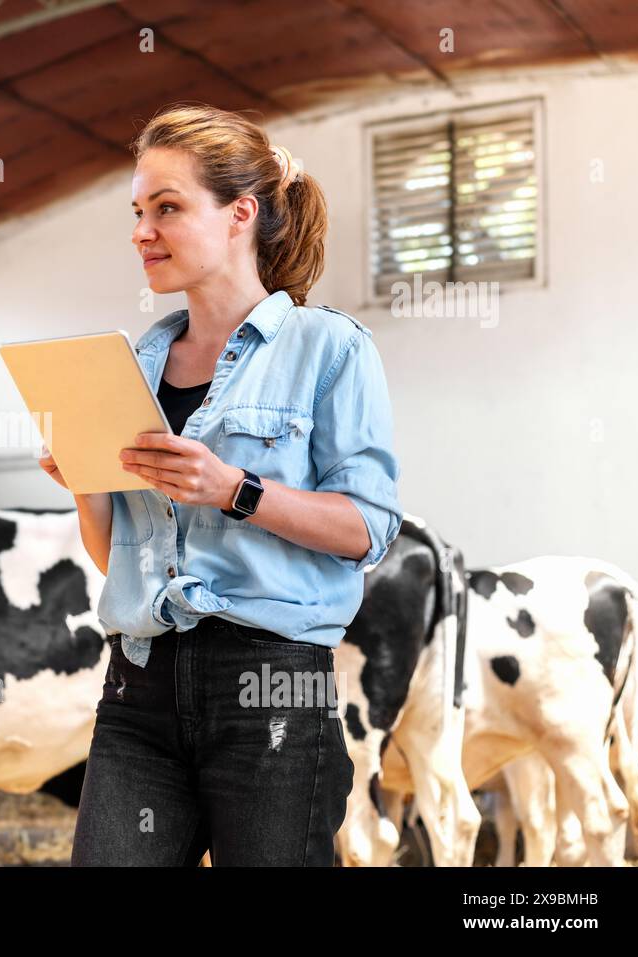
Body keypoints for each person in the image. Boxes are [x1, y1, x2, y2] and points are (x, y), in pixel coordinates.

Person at [39, 104, 403, 866]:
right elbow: (118, 561)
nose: (142, 231)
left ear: (241, 214)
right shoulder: (134, 361)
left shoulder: (328, 346)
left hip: (273, 687)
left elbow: (367, 528)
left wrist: (236, 488)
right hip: (139, 686)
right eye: (138, 211)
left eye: (167, 208)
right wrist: (85, 486)